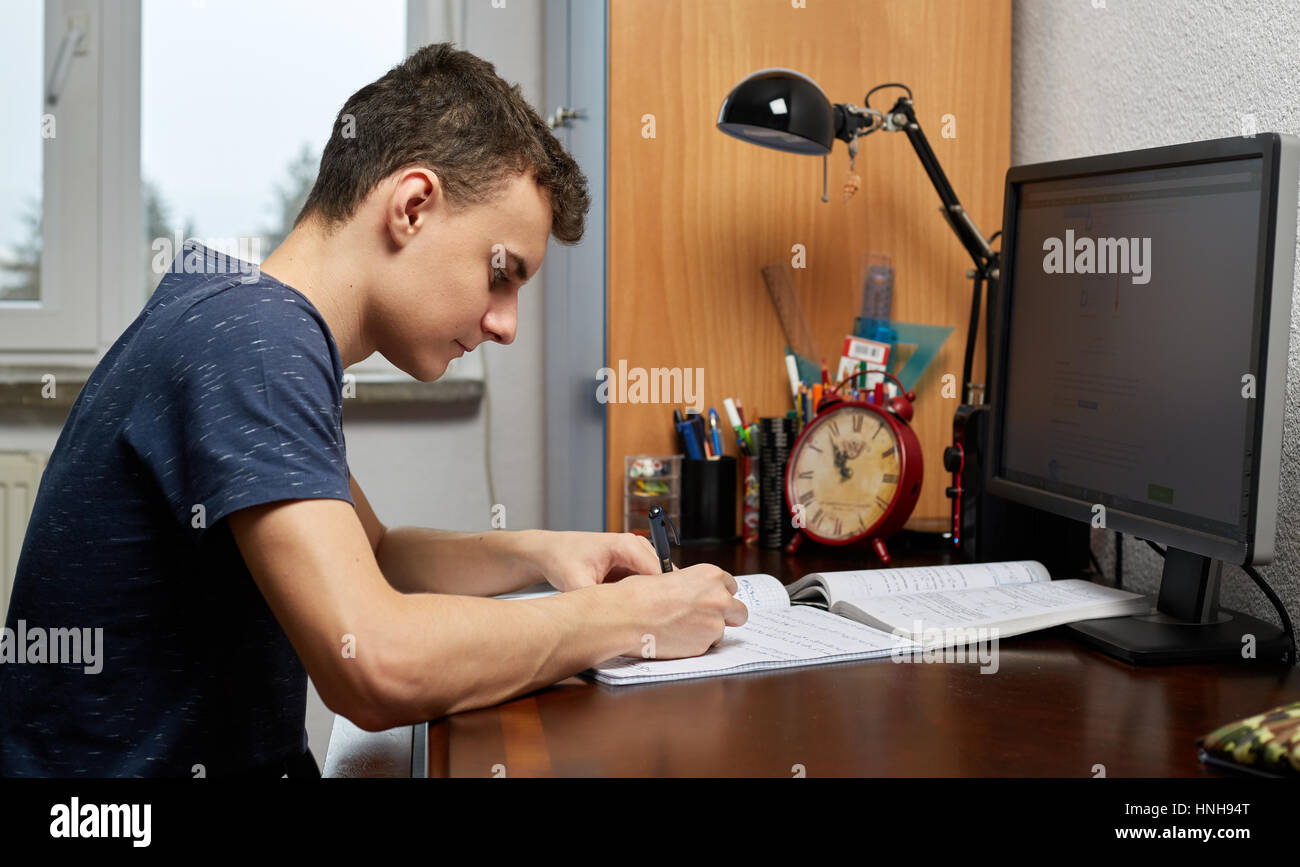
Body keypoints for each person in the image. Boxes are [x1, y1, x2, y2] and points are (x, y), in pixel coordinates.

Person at [0, 42, 747, 778]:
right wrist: (635, 621)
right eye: (502, 275)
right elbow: (374, 664)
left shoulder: (232, 310)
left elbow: (378, 553)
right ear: (413, 206)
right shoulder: (257, 338)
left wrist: (542, 553)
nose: (505, 323)